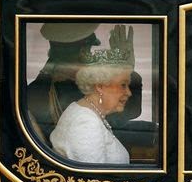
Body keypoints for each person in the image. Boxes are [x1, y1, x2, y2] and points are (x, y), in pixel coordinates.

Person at [49, 26, 136, 165]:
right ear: (100, 86)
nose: (129, 92)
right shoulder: (85, 125)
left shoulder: (90, 113)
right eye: (123, 85)